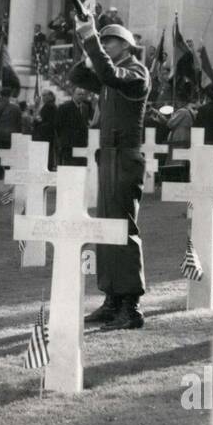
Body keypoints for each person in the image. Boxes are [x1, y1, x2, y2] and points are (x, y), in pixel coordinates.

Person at [66, 18, 150, 329]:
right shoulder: (109, 75)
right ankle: (112, 297)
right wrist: (89, 52)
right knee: (105, 227)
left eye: (109, 42)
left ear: (126, 45)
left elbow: (110, 74)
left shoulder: (135, 72)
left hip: (125, 155)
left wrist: (90, 39)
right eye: (102, 42)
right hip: (109, 155)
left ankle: (131, 305)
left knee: (123, 229)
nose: (105, 46)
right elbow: (76, 75)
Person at [54, 85, 90, 172]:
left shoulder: (86, 108)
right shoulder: (64, 107)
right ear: (73, 94)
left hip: (81, 143)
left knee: (80, 167)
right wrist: (63, 139)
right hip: (69, 143)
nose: (81, 96)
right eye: (79, 94)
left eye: (82, 94)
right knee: (69, 168)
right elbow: (58, 125)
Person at [31, 90, 58, 167]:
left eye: (45, 95)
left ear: (51, 96)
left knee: (45, 152)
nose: (43, 97)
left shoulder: (49, 106)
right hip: (48, 133)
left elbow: (43, 119)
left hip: (44, 134)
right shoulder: (51, 105)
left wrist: (36, 121)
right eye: (42, 95)